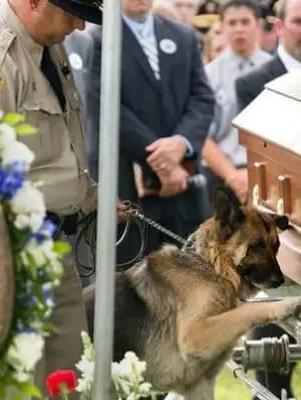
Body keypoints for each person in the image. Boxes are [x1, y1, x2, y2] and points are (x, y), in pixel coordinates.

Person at [0, 0, 125, 398]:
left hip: (49, 245)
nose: (80, 25)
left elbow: (48, 155)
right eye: (71, 12)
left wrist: (91, 198)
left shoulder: (43, 41)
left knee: (66, 380)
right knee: (23, 382)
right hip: (12, 253)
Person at [86, 0, 215, 269]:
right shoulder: (98, 39)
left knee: (192, 279)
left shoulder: (183, 36)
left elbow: (202, 98)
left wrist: (180, 144)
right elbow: (105, 104)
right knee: (132, 287)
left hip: (183, 185)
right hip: (129, 186)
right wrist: (161, 158)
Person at [234, 0, 301, 396]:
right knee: (275, 329)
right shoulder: (254, 82)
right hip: (277, 221)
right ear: (279, 26)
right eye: (299, 21)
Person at [202, 0, 271, 205]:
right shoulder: (208, 74)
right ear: (221, 27)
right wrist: (233, 176)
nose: (239, 29)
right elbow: (203, 136)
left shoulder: (275, 70)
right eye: (232, 23)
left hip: (269, 176)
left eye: (245, 22)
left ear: (258, 25)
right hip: (222, 177)